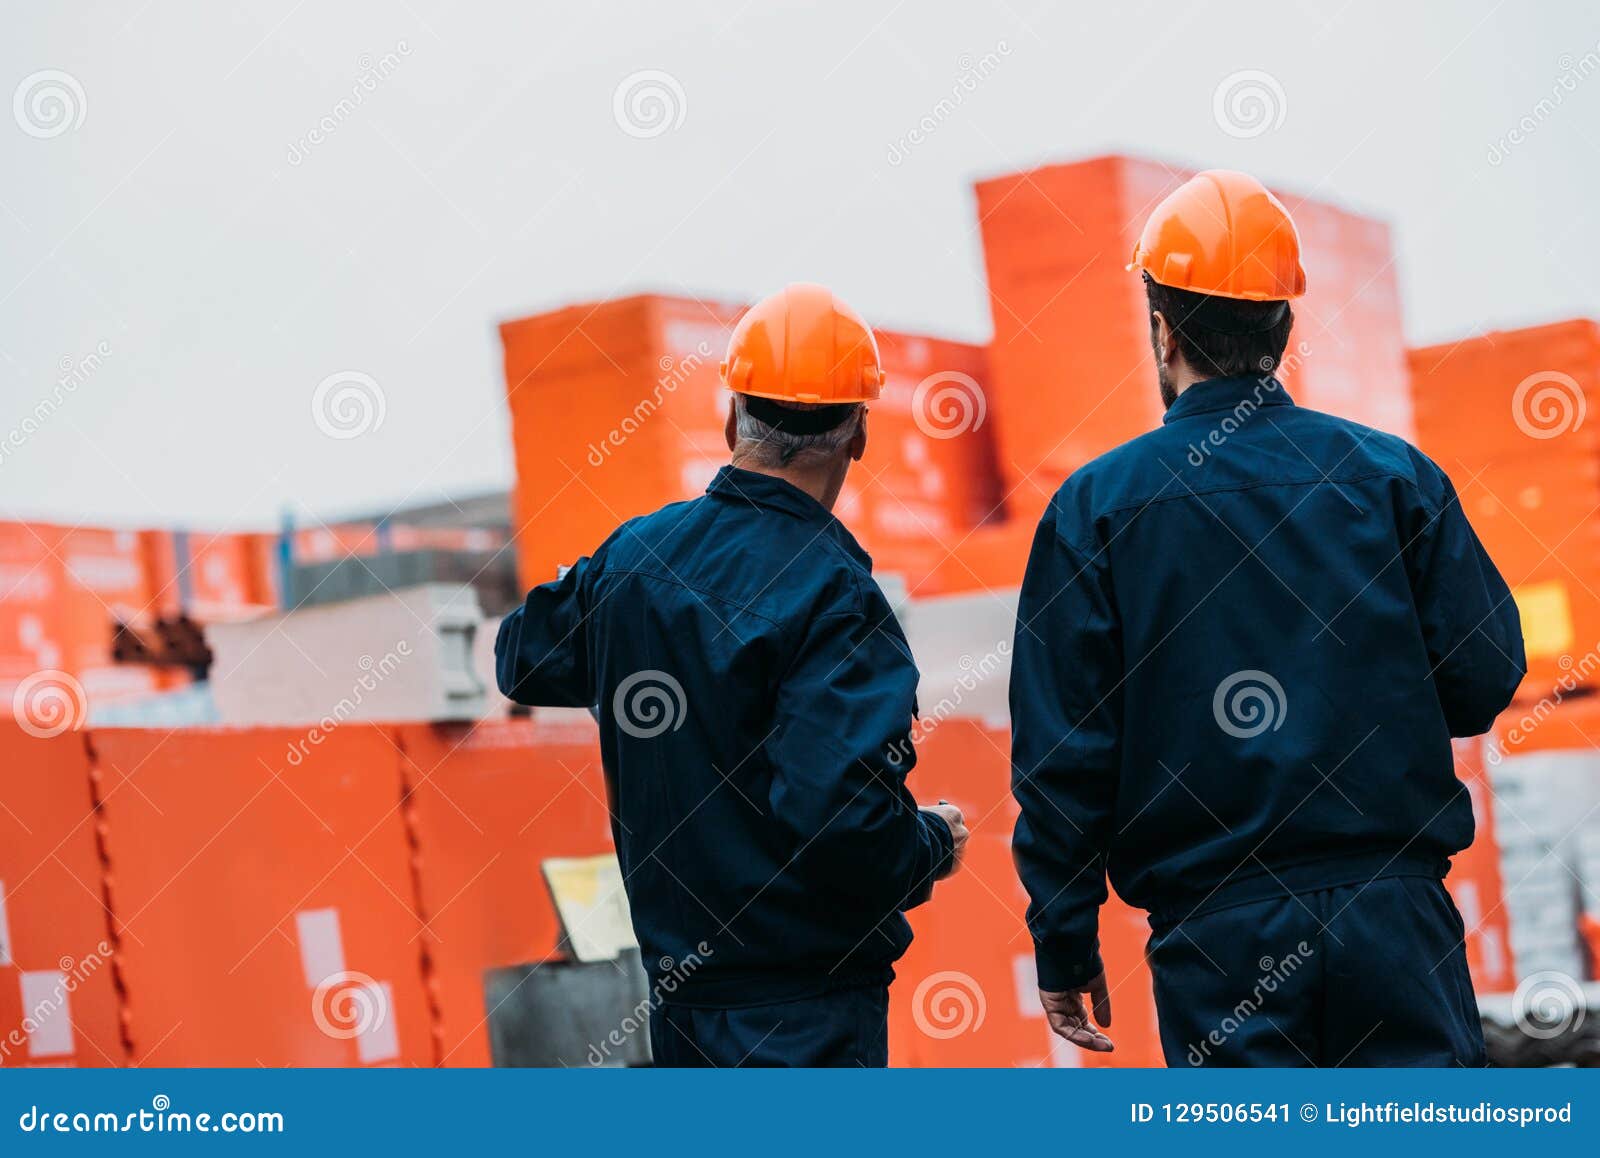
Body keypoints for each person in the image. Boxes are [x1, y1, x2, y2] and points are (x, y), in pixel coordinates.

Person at [1009, 170, 1525, 1066]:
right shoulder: (1393, 477)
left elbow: (1065, 757)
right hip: (1395, 921)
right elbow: (1484, 678)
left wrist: (1064, 936)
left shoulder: (1096, 509)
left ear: (1161, 327)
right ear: (1285, 327)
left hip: (1219, 944)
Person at [496, 283, 968, 1067]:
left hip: (682, 1008)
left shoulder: (633, 559)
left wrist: (608, 590)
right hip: (806, 1020)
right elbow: (840, 824)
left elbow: (522, 655)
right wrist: (929, 845)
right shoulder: (837, 597)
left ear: (730, 417)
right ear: (858, 434)